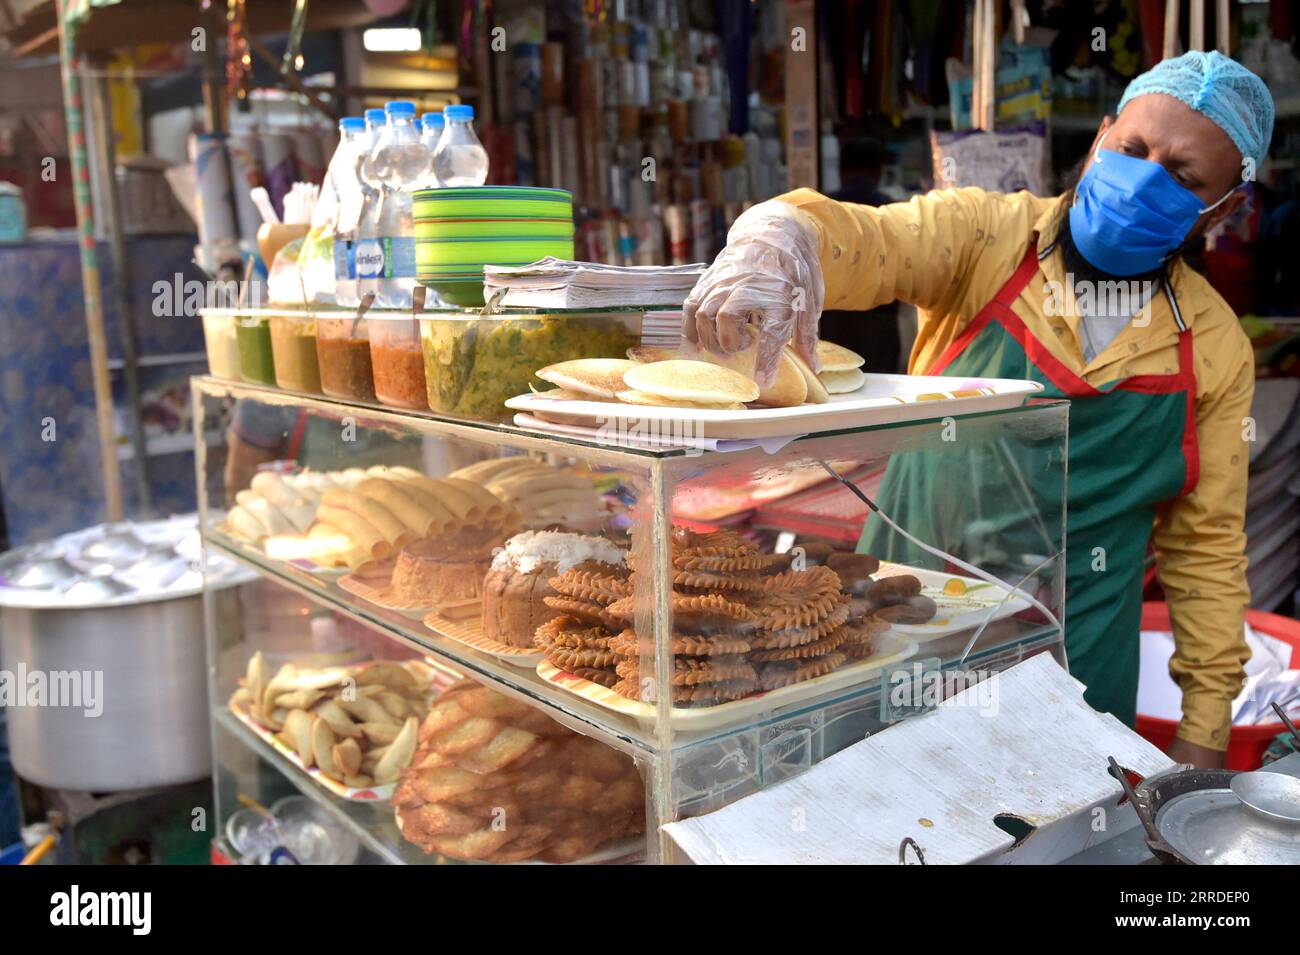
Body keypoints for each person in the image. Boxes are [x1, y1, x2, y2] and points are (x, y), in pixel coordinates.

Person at [684, 51, 1273, 769]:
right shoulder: (987, 239)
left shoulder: (1211, 345)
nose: (1145, 178)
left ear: (1225, 208)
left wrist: (1204, 735)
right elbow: (876, 242)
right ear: (1100, 138)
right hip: (900, 640)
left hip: (1077, 683)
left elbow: (1205, 552)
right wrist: (786, 233)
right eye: (1133, 149)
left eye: (1182, 177)